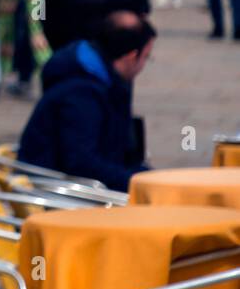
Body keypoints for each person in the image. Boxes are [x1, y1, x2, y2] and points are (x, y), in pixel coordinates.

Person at [17, 11, 154, 191]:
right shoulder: (81, 95)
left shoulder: (103, 78)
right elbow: (82, 163)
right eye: (146, 57)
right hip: (63, 193)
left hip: (78, 185)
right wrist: (137, 181)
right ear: (130, 57)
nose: (144, 65)